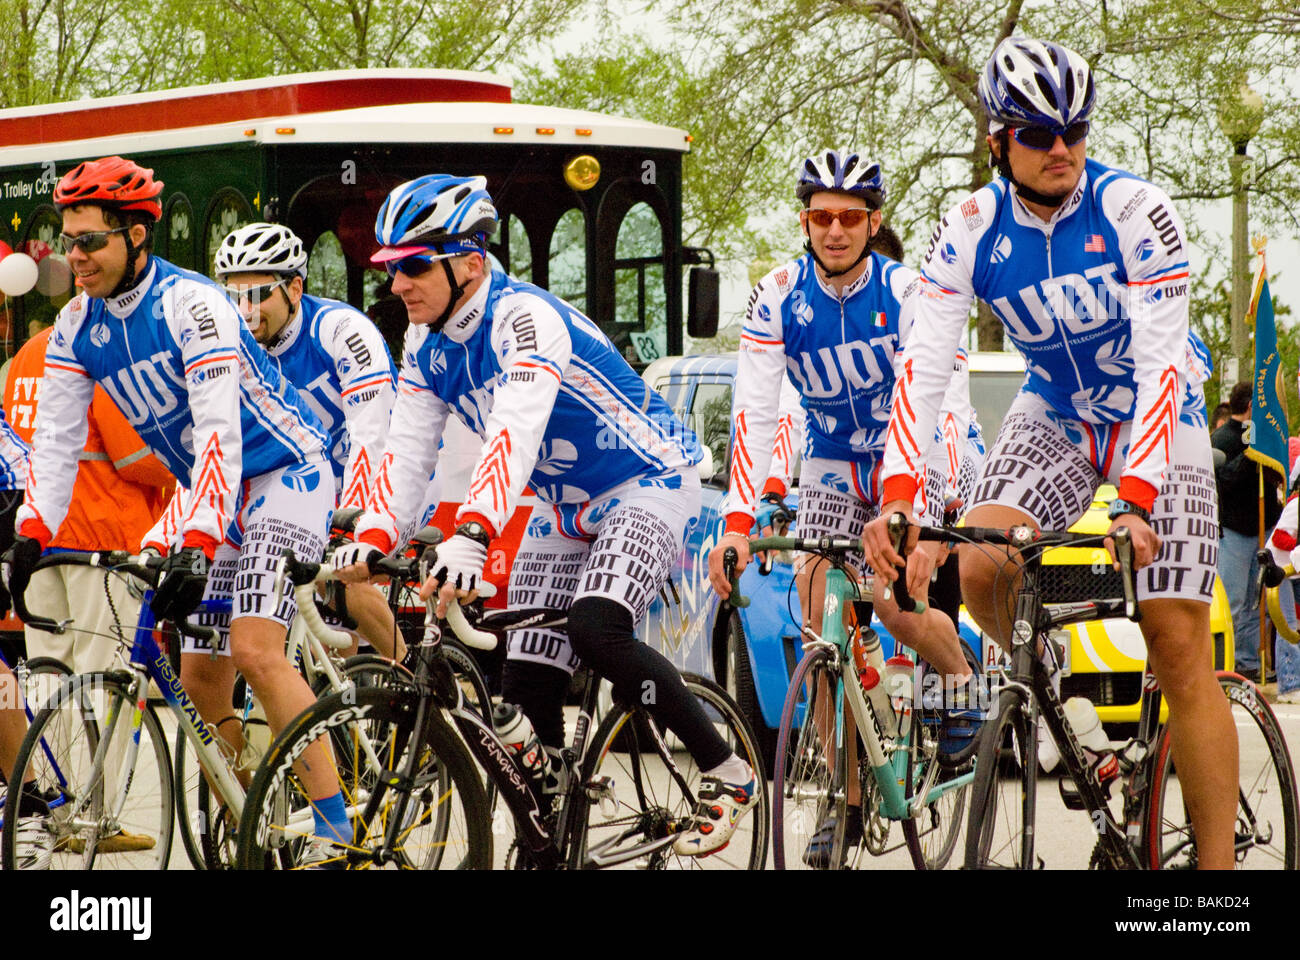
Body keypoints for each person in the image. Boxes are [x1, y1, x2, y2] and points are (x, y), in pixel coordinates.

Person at [861, 37, 1237, 868]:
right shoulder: (967, 229)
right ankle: (1075, 708)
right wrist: (901, 497)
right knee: (984, 569)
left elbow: (1160, 366)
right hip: (1057, 409)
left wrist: (1136, 498)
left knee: (1176, 644)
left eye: (1074, 128)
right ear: (999, 143)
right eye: (1037, 133)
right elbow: (922, 372)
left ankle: (1218, 891)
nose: (1061, 147)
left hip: (1155, 409)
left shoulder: (1137, 210)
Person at [333, 173, 758, 855]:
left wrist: (473, 533)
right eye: (387, 268)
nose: (396, 284)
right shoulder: (425, 342)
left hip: (644, 480)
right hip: (564, 504)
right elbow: (408, 452)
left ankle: (727, 771)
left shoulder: (525, 321)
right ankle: (551, 826)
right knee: (524, 669)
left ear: (469, 263)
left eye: (412, 266)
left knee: (595, 628)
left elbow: (513, 432)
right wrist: (376, 534)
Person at [0, 156, 351, 866]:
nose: (75, 255)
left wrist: (196, 536)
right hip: (212, 489)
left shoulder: (196, 305)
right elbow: (59, 444)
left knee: (253, 647)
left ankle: (339, 831)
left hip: (284, 473)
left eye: (91, 240)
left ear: (136, 237)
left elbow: (218, 430)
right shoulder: (75, 324)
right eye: (68, 240)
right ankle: (260, 828)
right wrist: (31, 533)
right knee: (197, 685)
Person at [705, 150, 981, 866]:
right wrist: (737, 524)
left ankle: (957, 679)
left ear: (873, 222)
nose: (835, 229)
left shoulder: (910, 291)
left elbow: (943, 406)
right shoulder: (775, 296)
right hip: (834, 464)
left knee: (892, 609)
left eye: (850, 217)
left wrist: (930, 503)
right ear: (805, 221)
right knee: (822, 618)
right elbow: (756, 413)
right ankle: (845, 798)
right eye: (821, 216)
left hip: (910, 455)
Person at [211, 221, 403, 661]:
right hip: (309, 488)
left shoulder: (340, 331)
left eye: (258, 294)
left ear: (295, 288)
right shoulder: (231, 344)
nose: (244, 309)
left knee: (342, 578)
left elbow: (370, 434)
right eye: (233, 294)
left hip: (381, 477)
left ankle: (417, 685)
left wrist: (348, 517)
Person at [1212, 380, 1283, 682]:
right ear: (1252, 405)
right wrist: (1248, 457)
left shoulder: (1263, 437)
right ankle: (1228, 662)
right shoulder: (1222, 438)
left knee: (1259, 603)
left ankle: (1249, 661)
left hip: (1262, 531)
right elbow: (1221, 479)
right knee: (1234, 601)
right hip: (1236, 532)